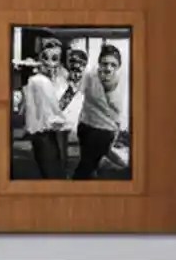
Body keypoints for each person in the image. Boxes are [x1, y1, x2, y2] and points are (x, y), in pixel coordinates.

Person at [72, 44, 127, 180]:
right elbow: (73, 90)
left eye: (113, 65)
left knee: (86, 167)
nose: (108, 68)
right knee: (88, 164)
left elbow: (121, 110)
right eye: (104, 63)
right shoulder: (90, 75)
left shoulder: (123, 80)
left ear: (119, 66)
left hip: (106, 130)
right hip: (86, 126)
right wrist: (57, 110)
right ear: (99, 63)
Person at [20, 38, 72, 178]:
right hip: (46, 132)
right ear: (40, 58)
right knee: (53, 170)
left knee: (55, 167)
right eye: (45, 58)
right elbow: (53, 111)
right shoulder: (39, 81)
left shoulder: (52, 80)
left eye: (54, 58)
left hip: (50, 132)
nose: (49, 63)